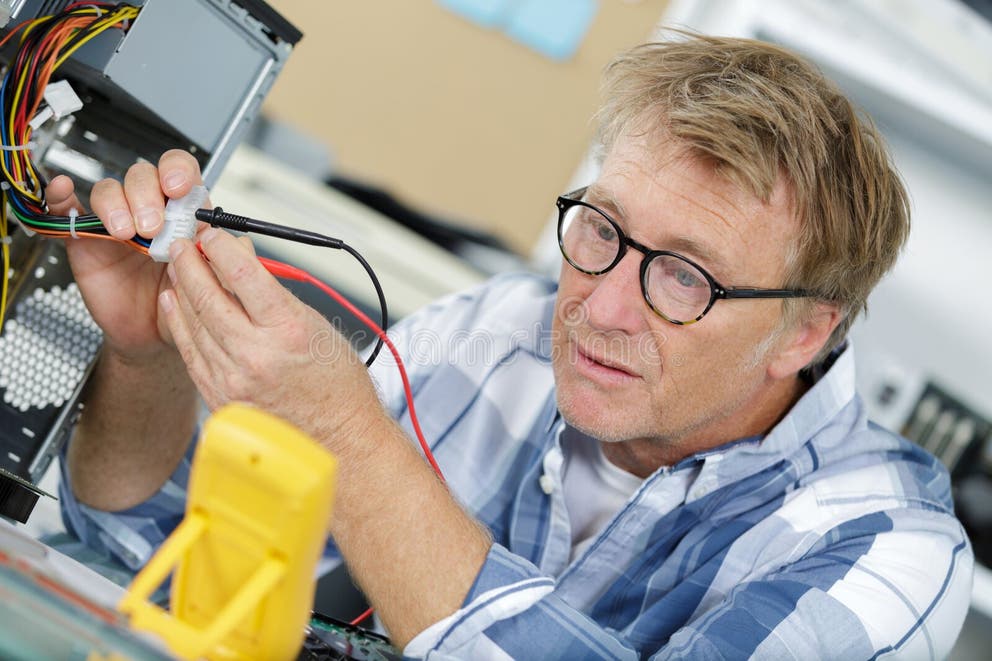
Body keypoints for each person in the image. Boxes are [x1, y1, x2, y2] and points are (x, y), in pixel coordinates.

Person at [46, 33, 972, 659]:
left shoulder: (886, 550)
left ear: (806, 330)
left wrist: (346, 434)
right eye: (602, 229)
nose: (601, 308)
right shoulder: (489, 342)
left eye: (685, 276)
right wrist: (144, 358)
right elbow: (146, 561)